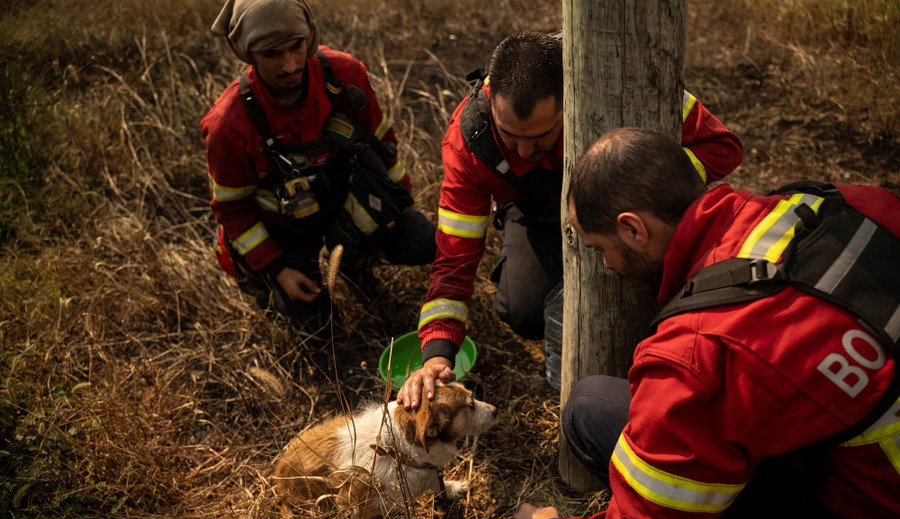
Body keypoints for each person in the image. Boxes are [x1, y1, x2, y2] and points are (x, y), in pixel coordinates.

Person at [514, 127, 900, 519]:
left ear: (634, 229)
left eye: (600, 249)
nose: (608, 265)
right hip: (870, 473)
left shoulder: (699, 350)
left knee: (591, 407)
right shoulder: (845, 205)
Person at [397, 31, 744, 408]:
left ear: (572, 100)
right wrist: (437, 352)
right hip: (538, 211)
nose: (525, 151)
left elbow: (722, 147)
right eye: (510, 138)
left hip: (623, 205)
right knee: (525, 311)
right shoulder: (470, 138)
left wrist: (643, 187)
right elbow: (454, 256)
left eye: (541, 136)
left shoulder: (622, 86)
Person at [202, 0, 436, 329]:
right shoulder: (229, 123)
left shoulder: (344, 75)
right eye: (271, 54)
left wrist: (404, 203)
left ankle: (355, 262)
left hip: (342, 211)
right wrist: (277, 268)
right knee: (318, 329)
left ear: (309, 37)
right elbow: (232, 210)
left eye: (296, 47)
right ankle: (265, 286)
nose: (289, 65)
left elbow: (383, 147)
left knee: (423, 239)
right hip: (283, 232)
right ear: (248, 53)